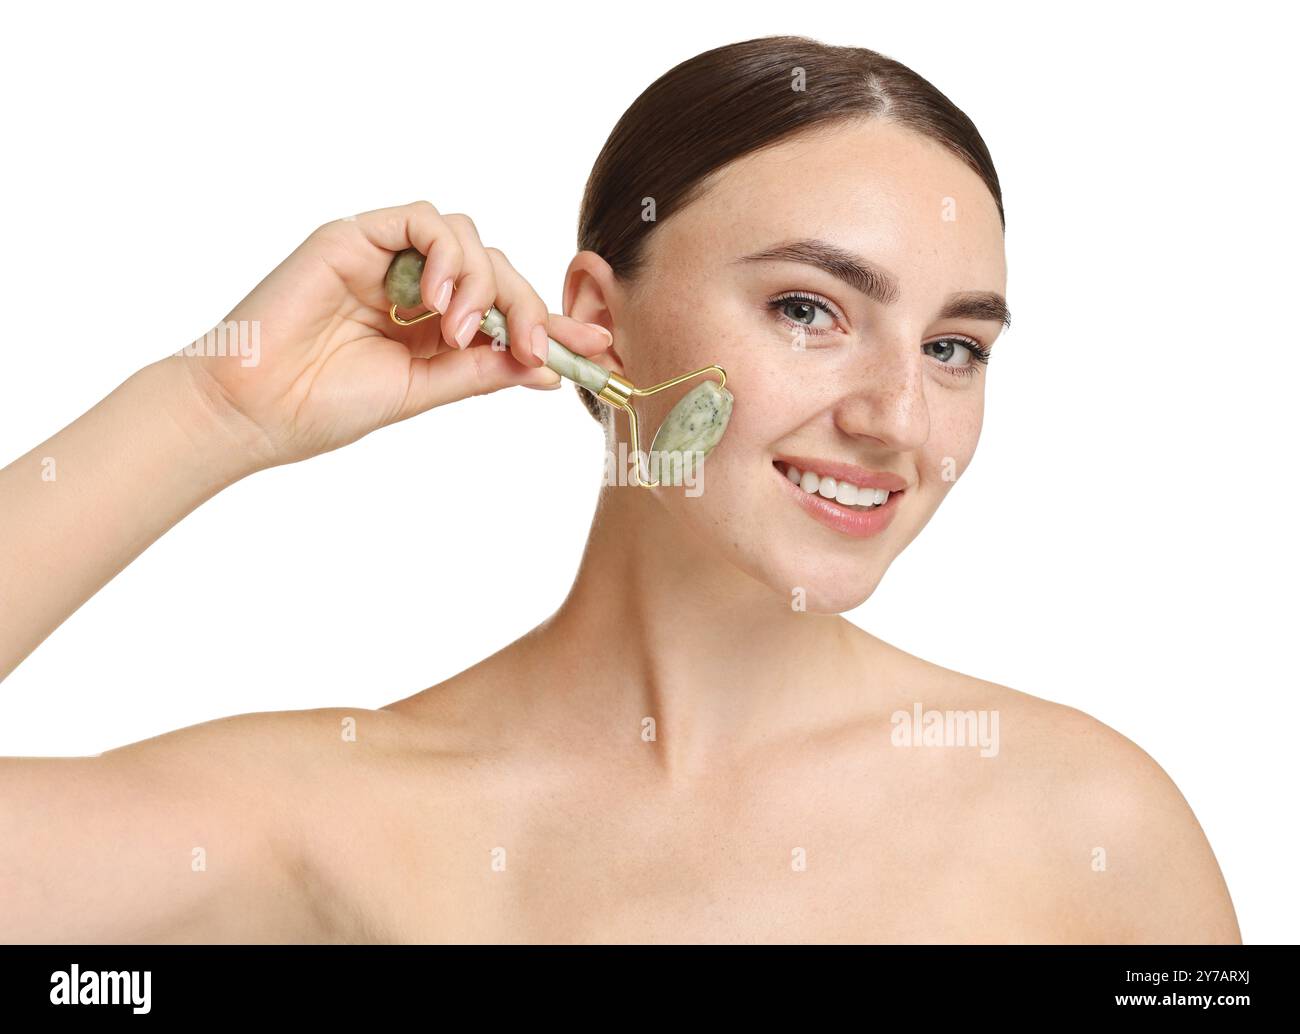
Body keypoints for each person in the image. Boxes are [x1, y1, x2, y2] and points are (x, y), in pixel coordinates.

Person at [0, 35, 1240, 943]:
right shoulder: (325, 812)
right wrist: (216, 407)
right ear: (598, 320)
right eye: (809, 309)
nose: (896, 418)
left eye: (953, 347)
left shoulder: (1090, 823)